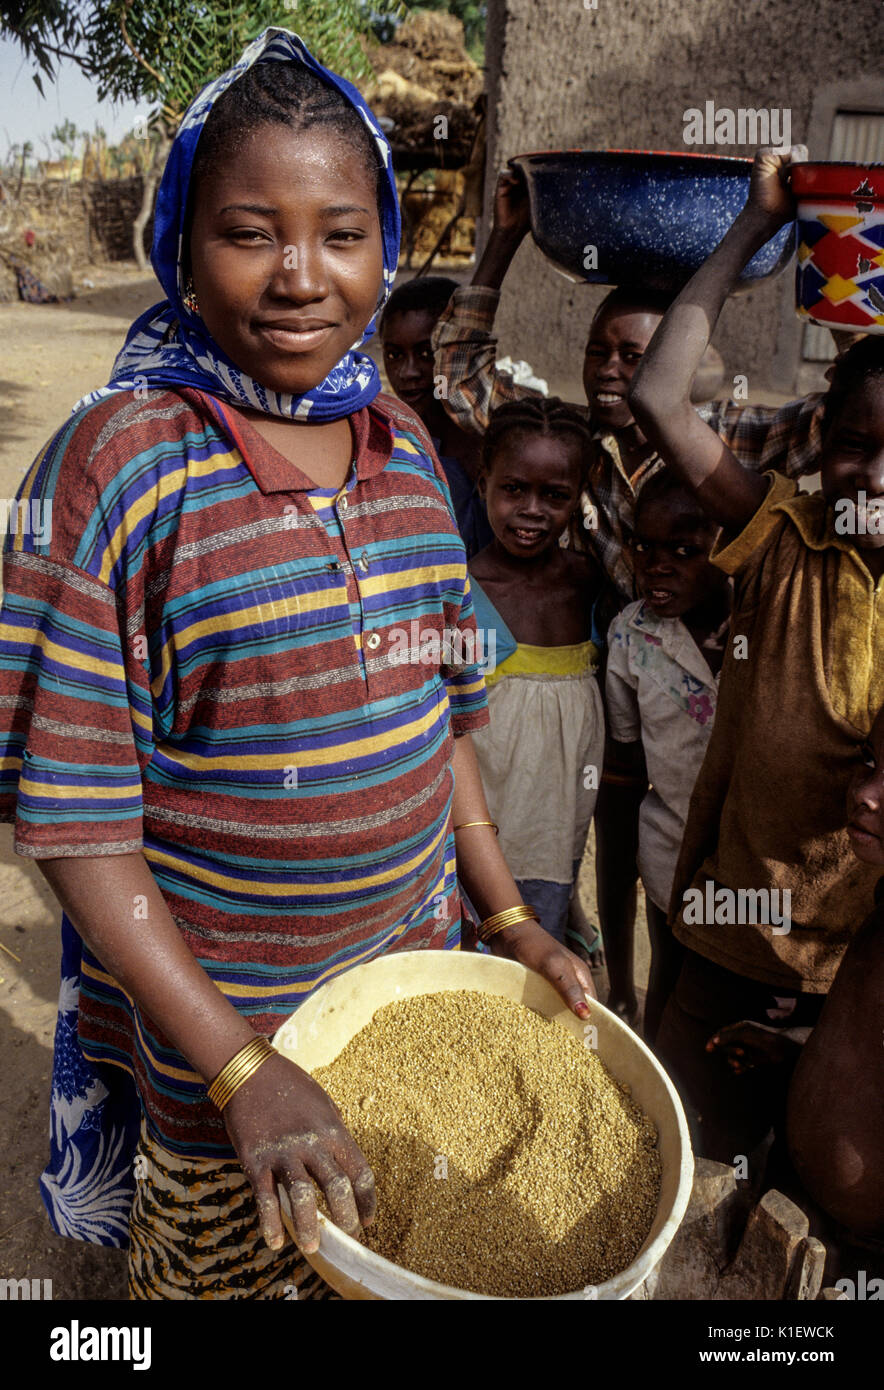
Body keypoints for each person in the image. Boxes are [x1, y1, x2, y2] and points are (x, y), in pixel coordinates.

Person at [0, 29, 595, 1302]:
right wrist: (238, 1069)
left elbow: (447, 731)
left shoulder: (408, 454)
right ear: (179, 243)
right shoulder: (120, 469)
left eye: (339, 231)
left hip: (401, 1024)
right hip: (230, 1061)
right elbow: (74, 824)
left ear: (384, 248)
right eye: (249, 230)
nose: (298, 276)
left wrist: (504, 921)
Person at [431, 167, 826, 1023]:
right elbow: (458, 372)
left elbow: (838, 419)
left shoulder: (726, 448)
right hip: (617, 679)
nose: (611, 373)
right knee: (615, 838)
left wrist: (821, 233)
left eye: (636, 356)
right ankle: (615, 981)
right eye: (598, 352)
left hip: (717, 688)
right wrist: (504, 234)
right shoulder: (571, 448)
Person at [628, 143, 884, 1167]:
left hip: (859, 970)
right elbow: (658, 399)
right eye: (856, 444)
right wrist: (754, 220)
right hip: (726, 939)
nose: (873, 475)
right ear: (817, 438)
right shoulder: (783, 533)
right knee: (681, 1172)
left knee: (825, 1201)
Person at [467, 397, 605, 944]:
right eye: (513, 489)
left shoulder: (590, 584)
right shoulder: (462, 588)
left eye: (555, 496)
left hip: (557, 826)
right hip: (482, 828)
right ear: (484, 485)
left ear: (578, 498)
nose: (532, 511)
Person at [605, 469, 731, 1044]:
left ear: (724, 548)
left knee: (728, 1006)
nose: (657, 564)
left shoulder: (763, 627)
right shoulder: (631, 636)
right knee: (671, 985)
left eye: (684, 550)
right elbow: (626, 758)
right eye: (644, 546)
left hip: (750, 866)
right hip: (670, 857)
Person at [379, 275, 492, 557]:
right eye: (394, 355)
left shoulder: (499, 433)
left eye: (426, 353)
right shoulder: (391, 447)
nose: (408, 372)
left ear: (453, 351)